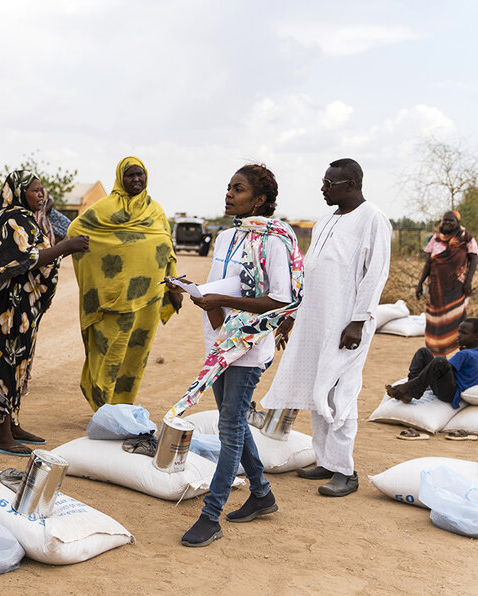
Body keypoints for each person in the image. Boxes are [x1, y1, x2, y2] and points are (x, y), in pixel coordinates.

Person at [166, 164, 303, 548]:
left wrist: (221, 298)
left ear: (258, 199)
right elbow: (220, 288)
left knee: (229, 427)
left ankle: (211, 517)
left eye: (238, 189)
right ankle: (261, 494)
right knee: (235, 425)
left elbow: (280, 299)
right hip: (218, 343)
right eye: (228, 187)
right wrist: (194, 292)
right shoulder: (226, 237)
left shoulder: (275, 240)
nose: (228, 194)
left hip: (248, 348)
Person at [262, 158, 392, 497]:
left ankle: (345, 471)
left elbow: (375, 274)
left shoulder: (372, 219)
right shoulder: (324, 221)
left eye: (329, 184)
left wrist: (358, 320)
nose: (323, 188)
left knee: (341, 392)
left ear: (350, 185)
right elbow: (309, 272)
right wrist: (292, 315)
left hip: (347, 323)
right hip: (315, 319)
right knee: (317, 388)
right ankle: (327, 460)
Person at [0, 170, 88, 456]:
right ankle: (3, 436)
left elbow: (40, 256)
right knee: (7, 363)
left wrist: (64, 250)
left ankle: (15, 423)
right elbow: (25, 258)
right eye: (35, 190)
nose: (41, 194)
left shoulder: (26, 218)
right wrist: (65, 247)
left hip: (24, 306)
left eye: (42, 189)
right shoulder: (12, 218)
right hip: (10, 306)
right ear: (20, 191)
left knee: (20, 363)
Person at [67, 157, 182, 410]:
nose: (136, 180)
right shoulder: (104, 208)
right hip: (113, 299)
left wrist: (173, 287)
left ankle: (123, 406)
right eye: (130, 175)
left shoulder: (155, 210)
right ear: (121, 178)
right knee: (109, 352)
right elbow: (75, 231)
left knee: (135, 354)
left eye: (140, 174)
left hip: (149, 298)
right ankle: (103, 406)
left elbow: (168, 249)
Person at [386, 318, 478, 440]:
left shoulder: (465, 354)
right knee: (425, 353)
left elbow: (441, 366)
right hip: (450, 388)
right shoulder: (469, 353)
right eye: (459, 332)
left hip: (449, 393)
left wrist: (407, 385)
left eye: (464, 333)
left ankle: (410, 390)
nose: (459, 336)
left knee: (439, 360)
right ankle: (410, 389)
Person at [416, 210, 478, 356]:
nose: (448, 223)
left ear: (458, 223)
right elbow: (428, 263)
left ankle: (459, 354)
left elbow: (474, 259)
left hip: (457, 288)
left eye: (451, 221)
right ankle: (436, 354)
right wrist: (420, 283)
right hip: (436, 289)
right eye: (445, 220)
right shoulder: (435, 239)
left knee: (457, 319)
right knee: (435, 321)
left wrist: (468, 282)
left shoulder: (466, 238)